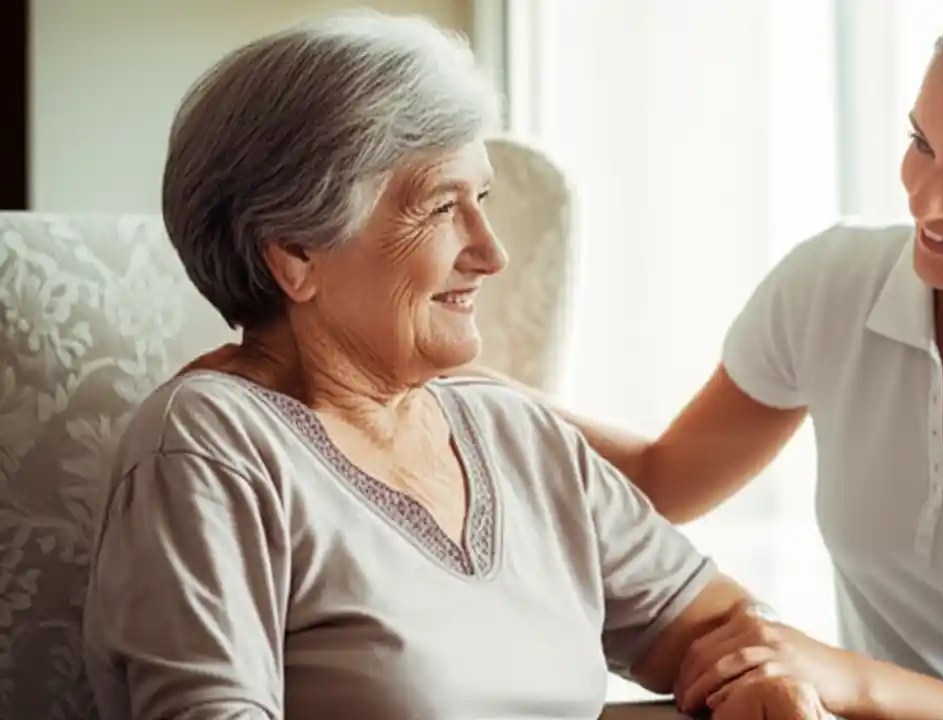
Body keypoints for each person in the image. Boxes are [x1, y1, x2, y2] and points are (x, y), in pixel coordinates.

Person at [479, 1, 943, 717]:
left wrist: (848, 679)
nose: (927, 201)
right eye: (922, 145)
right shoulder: (833, 283)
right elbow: (660, 480)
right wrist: (452, 378)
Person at [80, 12, 823, 720]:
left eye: (485, 198)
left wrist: (771, 683)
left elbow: (720, 628)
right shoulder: (212, 444)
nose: (491, 252)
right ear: (295, 254)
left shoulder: (514, 436)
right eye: (441, 207)